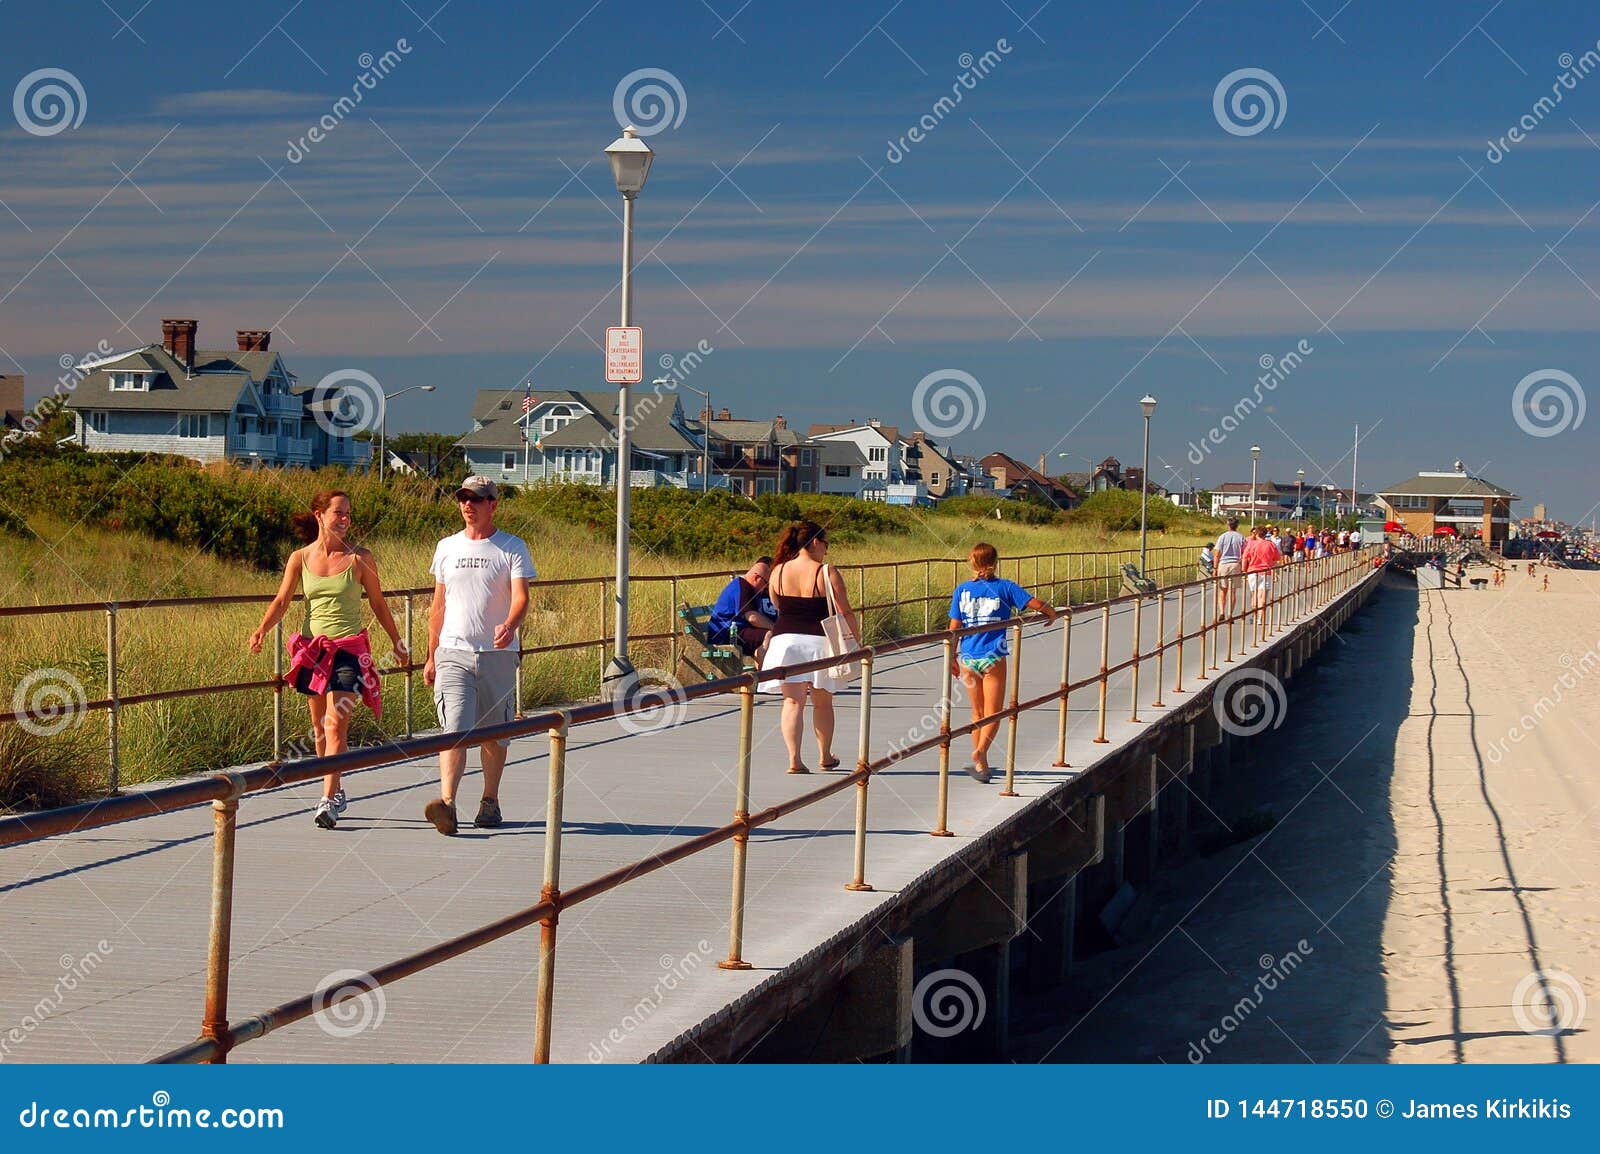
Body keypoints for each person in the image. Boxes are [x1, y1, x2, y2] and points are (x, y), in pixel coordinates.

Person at [249, 490, 407, 829]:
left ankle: (326, 800)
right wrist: (262, 629)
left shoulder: (361, 558)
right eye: (338, 513)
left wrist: (397, 640)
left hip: (349, 650)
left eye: (349, 513)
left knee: (336, 723)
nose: (346, 519)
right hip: (313, 651)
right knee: (320, 729)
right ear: (320, 515)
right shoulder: (299, 558)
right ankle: (334, 789)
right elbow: (282, 600)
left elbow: (378, 603)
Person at [423, 476, 533, 836]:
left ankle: (489, 800)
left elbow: (521, 598)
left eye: (477, 498)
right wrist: (431, 655)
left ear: (493, 504)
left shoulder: (512, 547)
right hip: (452, 651)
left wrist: (510, 624)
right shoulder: (446, 547)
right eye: (463, 498)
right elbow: (437, 605)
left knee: (493, 733)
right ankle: (448, 805)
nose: (468, 504)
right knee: (453, 727)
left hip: (496, 654)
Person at [949, 543, 1058, 783]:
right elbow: (1034, 603)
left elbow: (954, 628)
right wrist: (1051, 613)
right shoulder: (1005, 587)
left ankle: (982, 766)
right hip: (993, 655)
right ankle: (981, 752)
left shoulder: (962, 590)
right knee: (994, 713)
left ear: (972, 563)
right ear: (995, 562)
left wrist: (951, 658)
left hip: (967, 656)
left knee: (976, 712)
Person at [759, 520, 858, 774]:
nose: (826, 550)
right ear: (815, 542)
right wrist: (857, 643)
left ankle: (794, 760)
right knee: (823, 702)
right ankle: (825, 756)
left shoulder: (778, 570)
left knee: (792, 703)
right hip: (818, 642)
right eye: (826, 544)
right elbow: (845, 611)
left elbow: (778, 606)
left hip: (784, 643)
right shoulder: (826, 571)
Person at [708, 557, 778, 660]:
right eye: (766, 584)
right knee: (770, 635)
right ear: (756, 578)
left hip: (737, 631)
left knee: (770, 635)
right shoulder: (743, 586)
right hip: (726, 635)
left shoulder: (746, 586)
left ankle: (762, 672)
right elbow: (752, 617)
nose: (765, 589)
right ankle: (763, 674)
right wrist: (776, 628)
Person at [1241, 524, 1282, 613]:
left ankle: (1254, 615)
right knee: (1262, 596)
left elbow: (1244, 557)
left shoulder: (1251, 544)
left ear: (1256, 534)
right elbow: (1277, 559)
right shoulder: (1271, 544)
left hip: (1252, 571)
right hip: (1266, 572)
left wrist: (1244, 570)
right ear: (1265, 534)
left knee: (1254, 594)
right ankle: (1260, 618)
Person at [1213, 517, 1246, 623]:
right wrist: (1244, 567)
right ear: (1237, 525)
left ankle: (1222, 612)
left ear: (1228, 525)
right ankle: (1229, 614)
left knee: (1223, 590)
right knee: (1233, 591)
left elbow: (1217, 554)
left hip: (1223, 564)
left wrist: (1215, 568)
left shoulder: (1222, 537)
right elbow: (1245, 553)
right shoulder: (1241, 537)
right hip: (1235, 564)